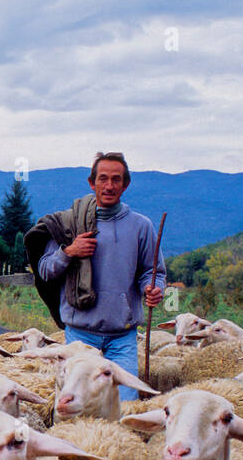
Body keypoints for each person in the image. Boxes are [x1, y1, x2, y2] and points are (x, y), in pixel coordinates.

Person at [23, 151, 165, 401]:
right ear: (92, 183)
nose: (109, 185)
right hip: (80, 335)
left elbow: (151, 272)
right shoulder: (68, 224)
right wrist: (68, 252)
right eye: (103, 179)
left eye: (116, 179)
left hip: (123, 335)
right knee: (80, 404)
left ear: (125, 184)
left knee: (125, 403)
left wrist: (152, 288)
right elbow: (45, 271)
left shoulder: (141, 226)